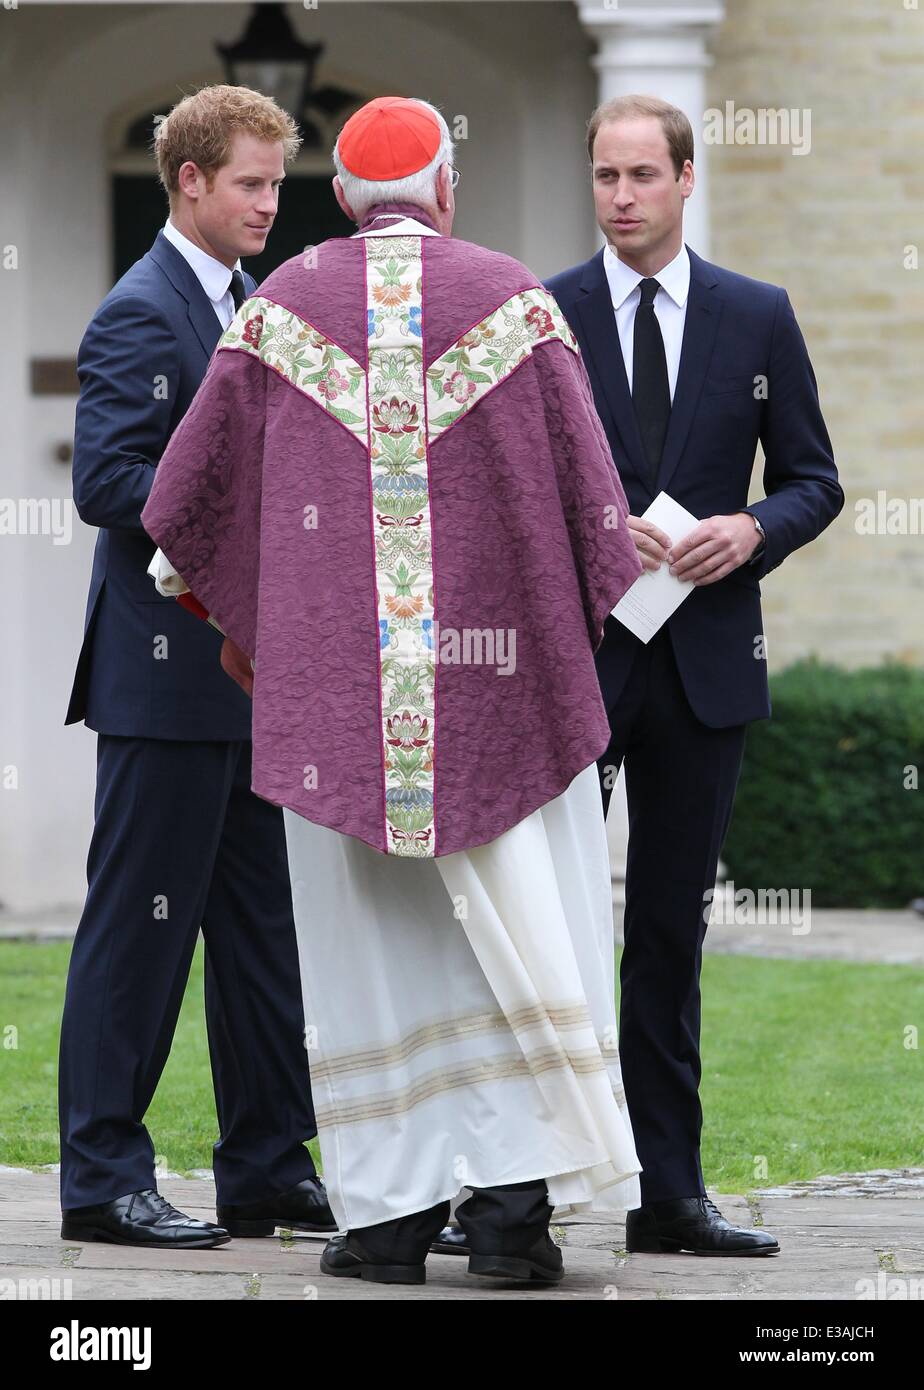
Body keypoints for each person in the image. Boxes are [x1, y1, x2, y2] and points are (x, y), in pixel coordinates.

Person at [142, 95, 645, 1287]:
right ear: (447, 192)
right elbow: (599, 524)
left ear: (342, 205)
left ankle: (387, 1229)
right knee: (516, 945)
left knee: (371, 956)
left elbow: (183, 521)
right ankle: (515, 1228)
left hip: (339, 719)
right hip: (503, 706)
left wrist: (252, 613)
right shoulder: (520, 303)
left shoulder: (281, 310)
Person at [541, 95, 843, 1256]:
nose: (620, 196)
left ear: (684, 179)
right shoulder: (546, 314)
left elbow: (816, 477)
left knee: (667, 934)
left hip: (707, 666)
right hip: (576, 662)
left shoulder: (756, 317)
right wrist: (595, 528)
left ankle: (669, 1195)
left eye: (640, 176)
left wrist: (754, 530)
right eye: (604, 176)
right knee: (548, 929)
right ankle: (515, 1194)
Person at [60, 85, 334, 1248]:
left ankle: (268, 1163)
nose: (273, 203)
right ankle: (101, 1180)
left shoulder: (256, 301)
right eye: (253, 185)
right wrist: (244, 506)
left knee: (265, 931)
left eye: (279, 183)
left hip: (247, 683)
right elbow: (105, 483)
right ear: (190, 182)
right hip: (165, 679)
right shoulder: (140, 311)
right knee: (141, 928)